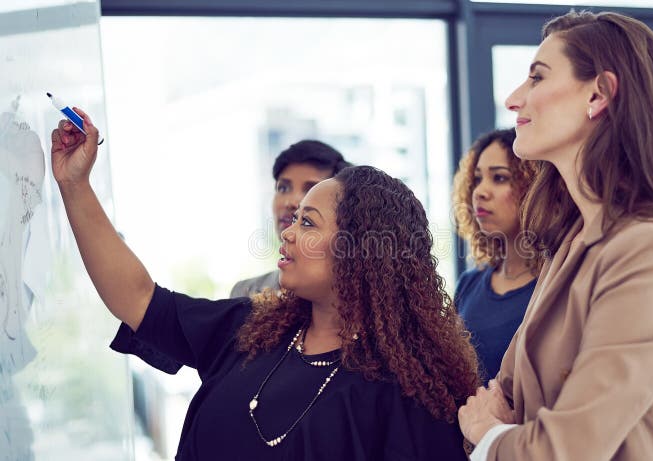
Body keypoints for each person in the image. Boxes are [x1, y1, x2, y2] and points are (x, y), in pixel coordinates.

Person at [50, 112, 479, 460]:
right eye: (292, 218)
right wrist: (74, 185)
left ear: (361, 249)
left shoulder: (408, 394)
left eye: (307, 222)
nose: (288, 232)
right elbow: (139, 297)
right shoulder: (252, 328)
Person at [457, 10, 653, 460]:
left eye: (537, 78)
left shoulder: (650, 249)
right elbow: (494, 403)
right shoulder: (569, 244)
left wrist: (493, 436)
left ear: (598, 95)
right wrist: (496, 430)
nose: (515, 99)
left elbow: (565, 448)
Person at [452, 128, 542, 383]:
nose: (480, 191)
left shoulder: (554, 285)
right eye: (477, 179)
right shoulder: (469, 284)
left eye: (499, 178)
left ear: (534, 187)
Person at [231, 139, 351, 297]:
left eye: (311, 189)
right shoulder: (246, 292)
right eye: (283, 188)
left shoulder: (354, 299)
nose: (291, 202)